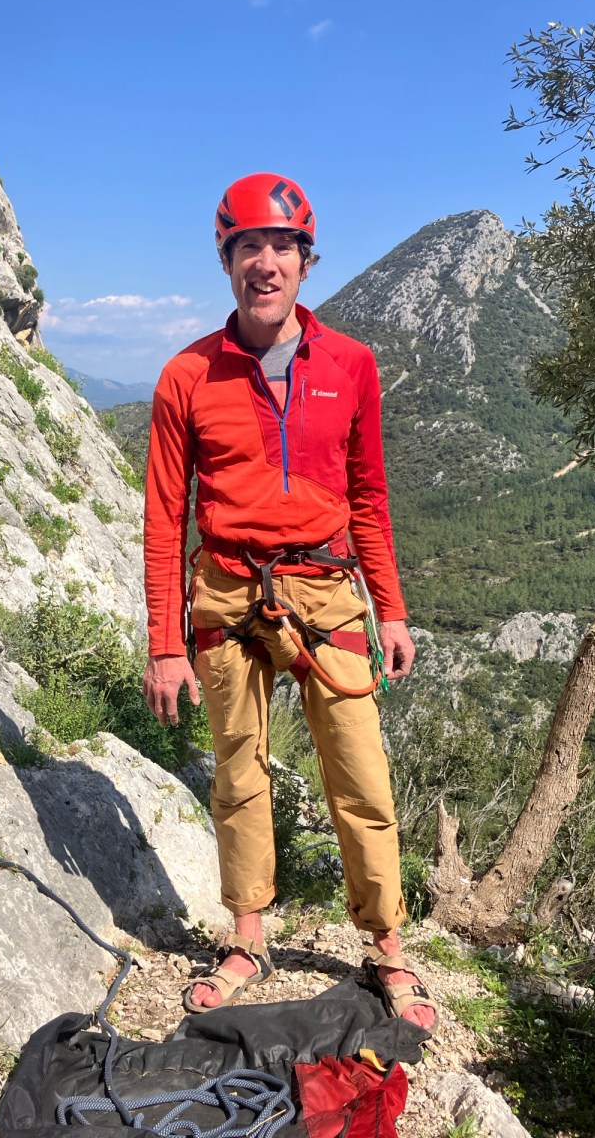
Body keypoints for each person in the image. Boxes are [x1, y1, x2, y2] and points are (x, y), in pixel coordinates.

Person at [142, 173, 437, 1031]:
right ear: (227, 262)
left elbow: (370, 495)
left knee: (359, 769)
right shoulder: (186, 375)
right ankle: (247, 935)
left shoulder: (350, 364)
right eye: (247, 248)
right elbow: (165, 518)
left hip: (329, 587)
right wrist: (166, 642)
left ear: (306, 262)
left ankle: (385, 946)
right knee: (238, 772)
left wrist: (391, 607)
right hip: (227, 590)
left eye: (280, 247)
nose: (264, 263)